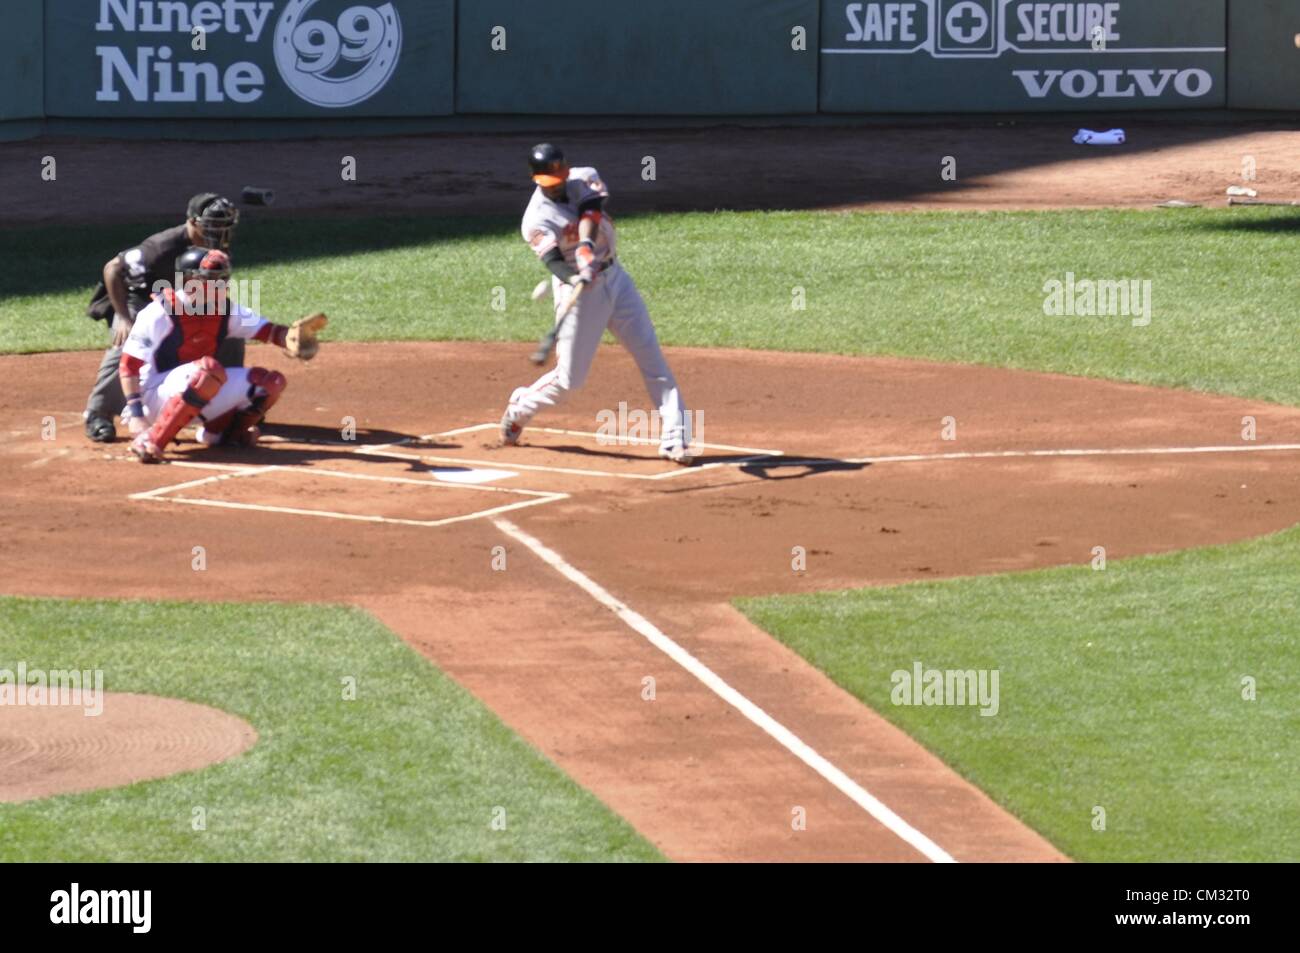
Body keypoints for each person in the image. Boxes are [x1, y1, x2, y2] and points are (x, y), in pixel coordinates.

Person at [499, 143, 693, 463]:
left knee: (651, 356)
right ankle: (520, 407)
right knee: (569, 381)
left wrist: (586, 245)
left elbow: (592, 209)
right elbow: (551, 261)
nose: (559, 184)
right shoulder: (535, 219)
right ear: (536, 180)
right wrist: (574, 276)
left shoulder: (584, 176)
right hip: (579, 294)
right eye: (551, 181)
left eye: (560, 177)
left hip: (616, 279)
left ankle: (675, 438)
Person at [119, 247, 327, 463]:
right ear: (190, 280)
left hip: (195, 385)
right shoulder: (159, 312)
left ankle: (223, 435)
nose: (220, 286)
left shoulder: (225, 310)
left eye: (223, 279)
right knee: (208, 371)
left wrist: (292, 339)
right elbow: (128, 366)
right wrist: (137, 416)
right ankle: (151, 441)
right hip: (152, 397)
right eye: (212, 280)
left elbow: (270, 332)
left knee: (269, 383)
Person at [83, 192, 243, 443]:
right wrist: (124, 318)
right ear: (192, 222)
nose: (220, 235)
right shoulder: (161, 247)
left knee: (230, 334)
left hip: (183, 304)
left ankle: (231, 404)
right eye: (213, 228)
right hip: (139, 302)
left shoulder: (215, 249)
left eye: (224, 228)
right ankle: (98, 412)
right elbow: (112, 268)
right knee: (128, 343)